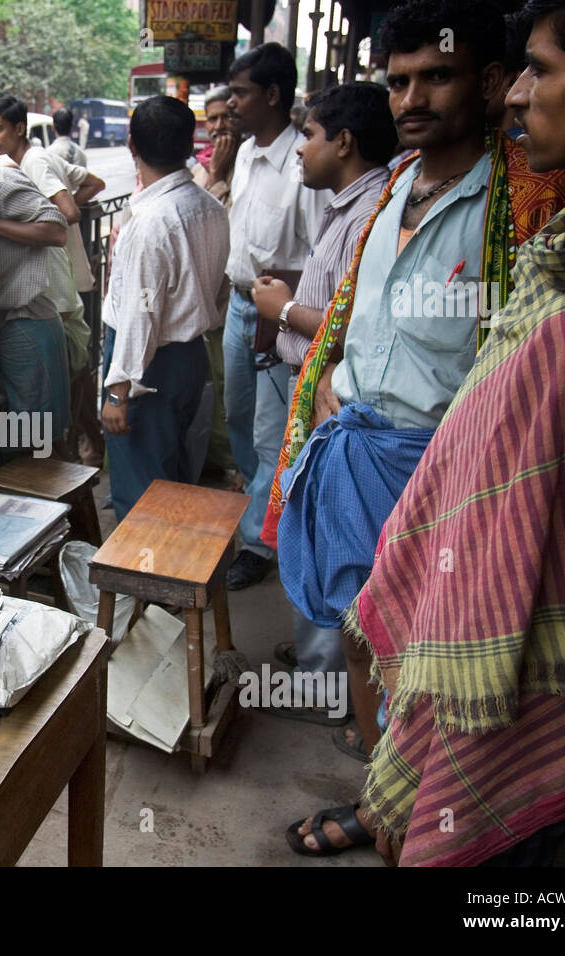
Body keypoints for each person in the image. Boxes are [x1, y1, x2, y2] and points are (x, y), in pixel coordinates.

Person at [290, 0, 565, 865]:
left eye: (436, 76)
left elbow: (522, 398)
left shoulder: (539, 205)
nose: (410, 98)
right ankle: (385, 798)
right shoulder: (386, 195)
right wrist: (334, 380)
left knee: (447, 669)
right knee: (367, 630)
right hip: (363, 455)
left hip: (450, 479)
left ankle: (426, 816)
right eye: (398, 80)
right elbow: (355, 320)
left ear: (485, 82)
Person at [248, 81, 397, 696]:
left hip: (334, 400)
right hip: (312, 387)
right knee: (312, 527)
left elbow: (356, 324)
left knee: (328, 538)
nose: (301, 148)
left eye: (308, 135)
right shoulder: (351, 206)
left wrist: (282, 311)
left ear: (343, 140)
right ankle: (319, 663)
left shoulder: (369, 213)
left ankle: (326, 684)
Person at [222, 43, 332, 591]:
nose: (231, 102)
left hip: (278, 317)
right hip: (239, 305)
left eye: (241, 92)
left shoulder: (301, 165)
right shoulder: (243, 155)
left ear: (272, 94)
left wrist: (288, 314)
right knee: (238, 416)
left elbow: (319, 253)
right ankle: (257, 502)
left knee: (270, 433)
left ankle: (256, 543)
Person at [99, 96, 229, 520]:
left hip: (146, 366)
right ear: (189, 146)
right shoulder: (210, 208)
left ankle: (147, 579)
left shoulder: (153, 221)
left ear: (132, 147)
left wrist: (119, 391)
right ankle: (169, 573)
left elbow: (140, 315)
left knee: (141, 490)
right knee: (173, 473)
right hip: (188, 357)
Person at [0, 95, 105, 464]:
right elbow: (94, 184)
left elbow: (65, 213)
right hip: (65, 282)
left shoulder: (34, 161)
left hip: (54, 286)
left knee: (67, 382)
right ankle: (87, 447)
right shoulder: (42, 156)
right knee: (73, 377)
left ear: (19, 128)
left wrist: (11, 222)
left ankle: (79, 452)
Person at [0, 96, 71, 446]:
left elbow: (57, 228)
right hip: (19, 326)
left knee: (35, 449)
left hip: (26, 324)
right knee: (35, 446)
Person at [192, 86, 239, 203]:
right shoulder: (197, 170)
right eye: (213, 119)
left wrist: (216, 174)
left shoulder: (248, 165)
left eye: (227, 117)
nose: (219, 126)